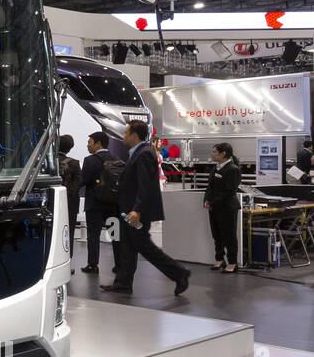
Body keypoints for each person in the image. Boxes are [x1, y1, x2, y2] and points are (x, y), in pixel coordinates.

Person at [101, 119, 191, 296]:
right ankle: (123, 283)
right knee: (127, 247)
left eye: (126, 132)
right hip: (129, 211)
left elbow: (147, 185)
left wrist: (138, 210)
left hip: (136, 213)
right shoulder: (138, 153)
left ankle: (179, 273)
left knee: (144, 247)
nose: (124, 136)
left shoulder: (145, 154)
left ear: (134, 135)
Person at [80, 130, 120, 274]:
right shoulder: (116, 159)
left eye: (90, 143)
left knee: (93, 235)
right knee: (116, 235)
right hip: (113, 204)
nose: (87, 146)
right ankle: (120, 264)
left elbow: (83, 181)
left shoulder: (89, 160)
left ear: (98, 144)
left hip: (94, 204)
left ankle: (93, 265)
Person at [204, 141, 241, 273]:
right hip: (214, 207)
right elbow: (210, 187)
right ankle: (219, 259)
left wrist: (212, 201)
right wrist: (207, 200)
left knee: (229, 235)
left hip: (227, 208)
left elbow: (229, 191)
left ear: (223, 153)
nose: (212, 154)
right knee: (217, 235)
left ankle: (232, 262)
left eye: (214, 152)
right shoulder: (216, 168)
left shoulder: (233, 169)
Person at [58, 134, 82, 263]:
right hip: (70, 204)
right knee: (69, 232)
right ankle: (67, 261)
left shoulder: (47, 161)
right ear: (70, 148)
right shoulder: (74, 163)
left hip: (50, 202)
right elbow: (78, 184)